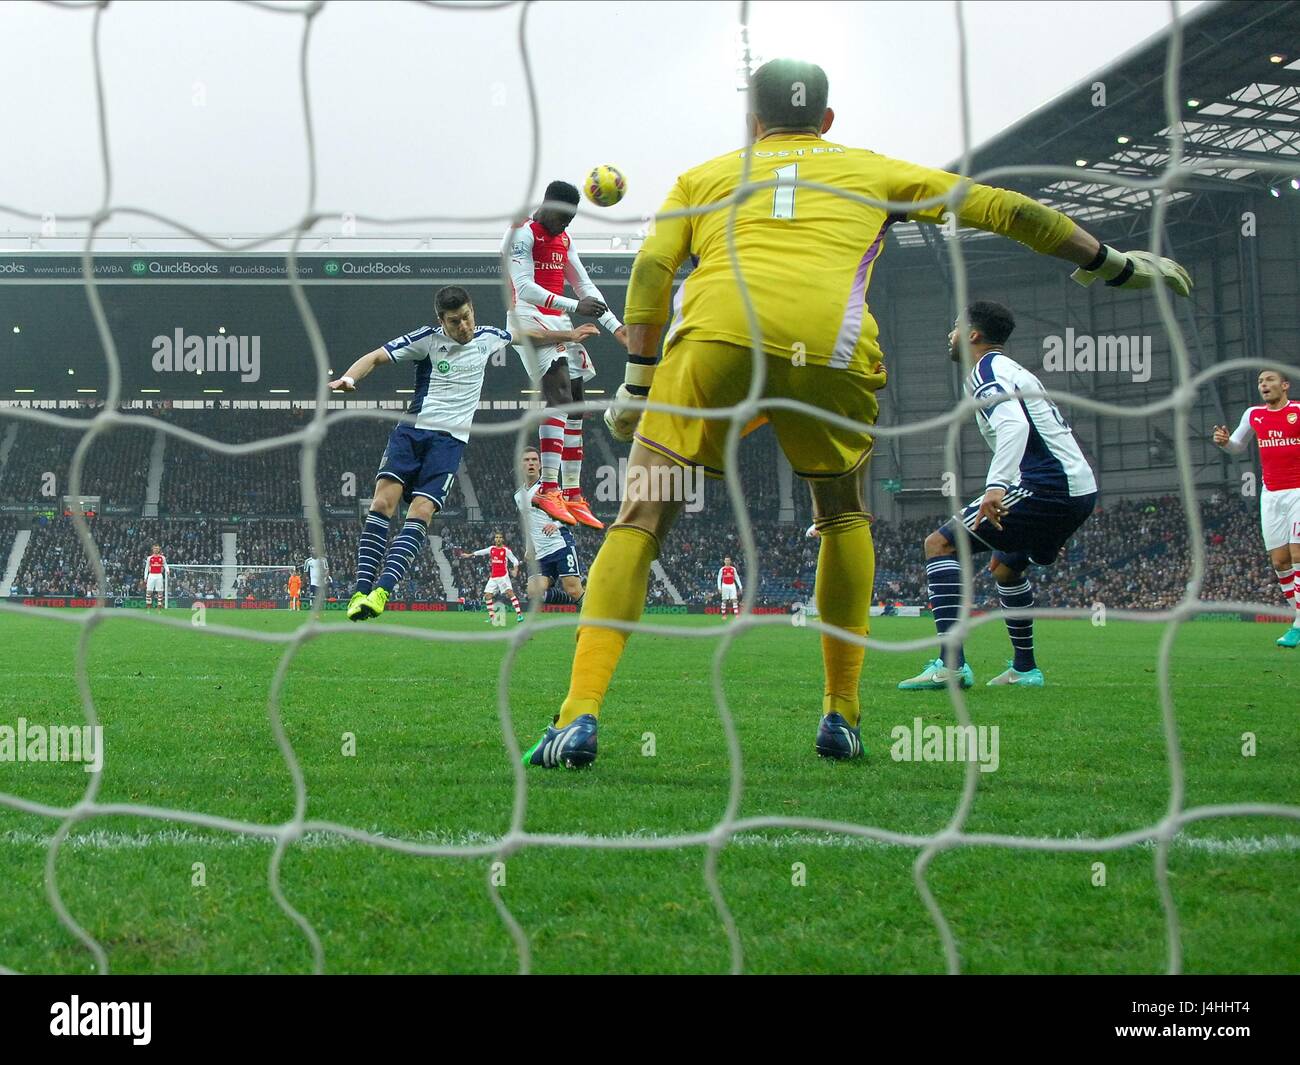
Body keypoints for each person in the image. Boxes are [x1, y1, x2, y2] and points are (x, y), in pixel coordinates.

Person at [522, 57, 1191, 769]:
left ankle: (580, 713)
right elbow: (1005, 208)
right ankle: (841, 714)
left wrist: (639, 382)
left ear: (752, 124)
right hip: (830, 349)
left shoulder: (703, 177)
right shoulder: (870, 169)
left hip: (714, 340)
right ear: (828, 121)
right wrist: (1111, 261)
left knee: (641, 519)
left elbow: (654, 270)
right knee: (842, 516)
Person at [897, 301, 1097, 690]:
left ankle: (950, 664)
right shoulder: (1015, 370)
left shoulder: (985, 370)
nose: (949, 335)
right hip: (1078, 489)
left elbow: (1013, 427)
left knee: (939, 544)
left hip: (1047, 486)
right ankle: (1025, 670)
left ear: (974, 334)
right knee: (1005, 568)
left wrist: (996, 487)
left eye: (955, 327)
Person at [505, 181, 628, 529]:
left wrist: (615, 326)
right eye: (563, 216)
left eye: (572, 220)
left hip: (557, 315)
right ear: (548, 204)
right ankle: (547, 487)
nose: (566, 225)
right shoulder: (521, 233)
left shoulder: (565, 240)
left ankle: (572, 494)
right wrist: (576, 306)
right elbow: (525, 286)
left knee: (575, 401)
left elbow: (584, 285)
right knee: (557, 393)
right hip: (528, 315)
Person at [1213, 369, 1300, 647]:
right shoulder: (1253, 414)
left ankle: (1298, 625)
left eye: (1270, 379)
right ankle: (1297, 617)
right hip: (1271, 494)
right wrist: (1226, 443)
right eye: (1261, 381)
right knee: (1280, 561)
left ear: (1284, 385)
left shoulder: (1298, 411)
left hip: (1298, 490)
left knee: (1297, 554)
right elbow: (1238, 446)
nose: (1264, 384)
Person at [514, 445, 585, 608]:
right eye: (526, 460)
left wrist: (556, 524)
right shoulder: (518, 496)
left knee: (573, 589)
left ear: (540, 465)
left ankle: (591, 611)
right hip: (540, 552)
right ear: (521, 465)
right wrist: (528, 547)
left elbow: (572, 510)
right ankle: (573, 601)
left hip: (560, 545)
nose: (531, 463)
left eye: (534, 460)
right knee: (534, 592)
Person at [458, 531, 523, 624]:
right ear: (494, 539)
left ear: (503, 539)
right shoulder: (491, 549)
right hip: (493, 577)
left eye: (500, 537)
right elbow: (481, 552)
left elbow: (515, 560)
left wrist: (515, 570)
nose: (498, 539)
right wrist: (469, 555)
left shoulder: (506, 550)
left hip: (503, 577)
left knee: (510, 593)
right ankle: (492, 617)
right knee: (487, 595)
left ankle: (519, 615)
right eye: (496, 537)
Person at [144, 543, 167, 612]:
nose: (156, 550)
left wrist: (167, 570)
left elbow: (165, 564)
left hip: (159, 575)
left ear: (159, 549)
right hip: (151, 575)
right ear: (152, 549)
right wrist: (145, 577)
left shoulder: (162, 557)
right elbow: (146, 568)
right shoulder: (149, 558)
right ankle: (148, 607)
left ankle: (159, 608)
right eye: (154, 548)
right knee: (149, 591)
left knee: (160, 592)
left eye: (157, 548)